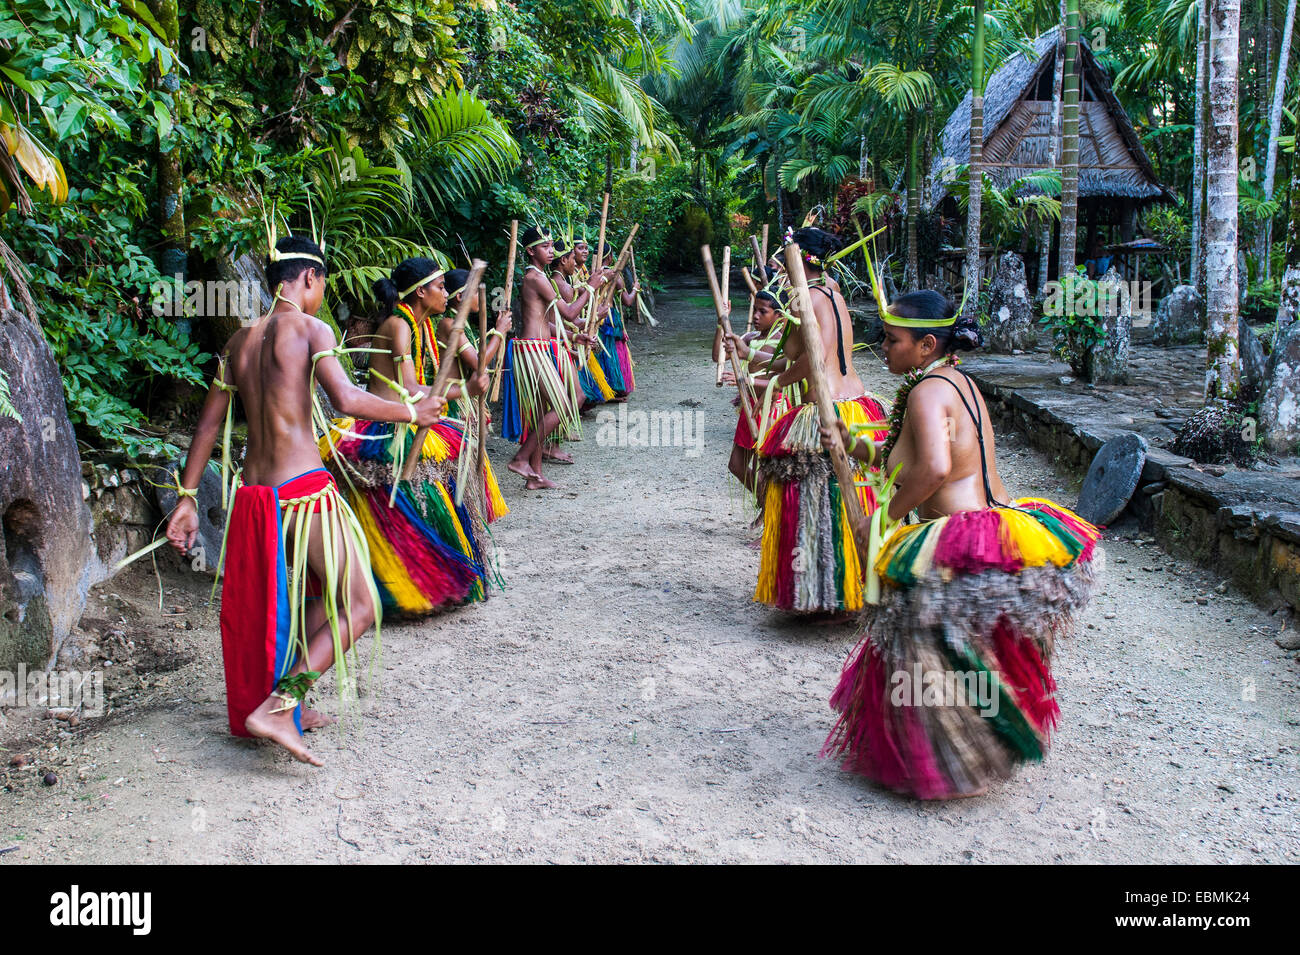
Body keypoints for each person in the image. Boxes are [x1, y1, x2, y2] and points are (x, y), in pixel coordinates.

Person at [164, 236, 446, 766]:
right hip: (303, 494)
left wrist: (185, 497)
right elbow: (345, 398)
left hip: (254, 498)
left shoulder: (238, 343)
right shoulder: (312, 328)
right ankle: (278, 704)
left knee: (311, 596)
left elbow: (207, 426)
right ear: (310, 279)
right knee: (360, 605)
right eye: (322, 285)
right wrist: (414, 412)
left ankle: (293, 704)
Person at [820, 289, 1102, 799]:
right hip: (996, 521)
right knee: (951, 649)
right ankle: (968, 746)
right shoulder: (956, 382)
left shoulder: (929, 392)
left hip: (956, 534)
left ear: (927, 344)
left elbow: (934, 468)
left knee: (921, 639)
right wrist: (852, 440)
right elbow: (903, 454)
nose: (882, 348)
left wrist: (881, 518)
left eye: (892, 340)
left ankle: (946, 757)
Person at [319, 257, 506, 619]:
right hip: (385, 425)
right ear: (420, 291)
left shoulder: (418, 324)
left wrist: (459, 391)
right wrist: (464, 389)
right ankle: (406, 585)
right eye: (439, 287)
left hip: (408, 418)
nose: (444, 292)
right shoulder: (400, 324)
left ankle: (434, 576)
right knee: (409, 495)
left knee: (457, 460)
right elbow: (408, 389)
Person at [744, 227, 890, 615]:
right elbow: (803, 352)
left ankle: (823, 593)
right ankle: (856, 583)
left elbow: (812, 358)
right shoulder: (835, 296)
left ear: (798, 261)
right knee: (852, 496)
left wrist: (776, 381)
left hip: (826, 410)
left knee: (815, 501)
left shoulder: (806, 298)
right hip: (858, 404)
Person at [503, 225, 602, 489]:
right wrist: (590, 288)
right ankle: (521, 458)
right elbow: (569, 313)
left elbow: (547, 321)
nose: (550, 250)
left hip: (539, 346)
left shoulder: (538, 276)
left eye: (550, 246)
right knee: (565, 405)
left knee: (540, 415)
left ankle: (535, 477)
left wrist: (572, 337)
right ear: (530, 251)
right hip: (533, 350)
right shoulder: (536, 277)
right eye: (544, 246)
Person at [722, 281, 793, 494]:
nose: (756, 316)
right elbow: (718, 355)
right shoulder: (750, 337)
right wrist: (722, 321)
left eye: (763, 312)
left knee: (768, 467)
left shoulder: (784, 342)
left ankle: (769, 510)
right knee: (736, 465)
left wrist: (746, 381)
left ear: (779, 316)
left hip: (772, 409)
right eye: (755, 310)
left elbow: (782, 380)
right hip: (750, 405)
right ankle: (764, 502)